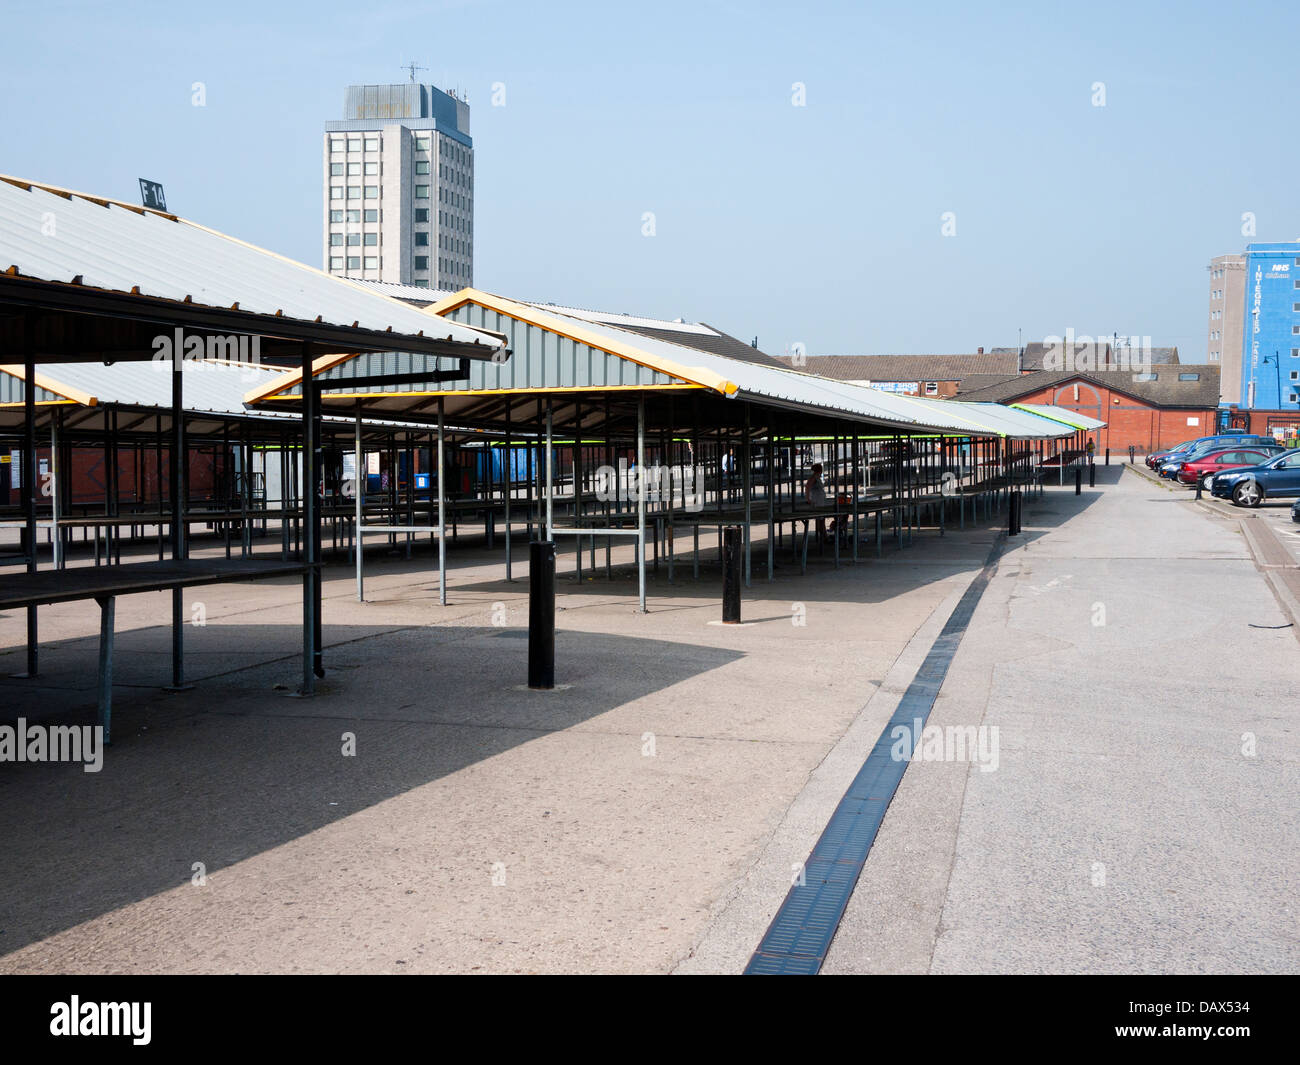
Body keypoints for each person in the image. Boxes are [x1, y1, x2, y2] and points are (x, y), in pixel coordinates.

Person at [805, 462, 828, 545]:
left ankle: (825, 535)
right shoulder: (813, 477)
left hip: (820, 500)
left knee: (822, 519)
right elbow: (807, 486)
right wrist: (808, 498)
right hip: (817, 501)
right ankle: (823, 535)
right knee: (820, 518)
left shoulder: (817, 477)